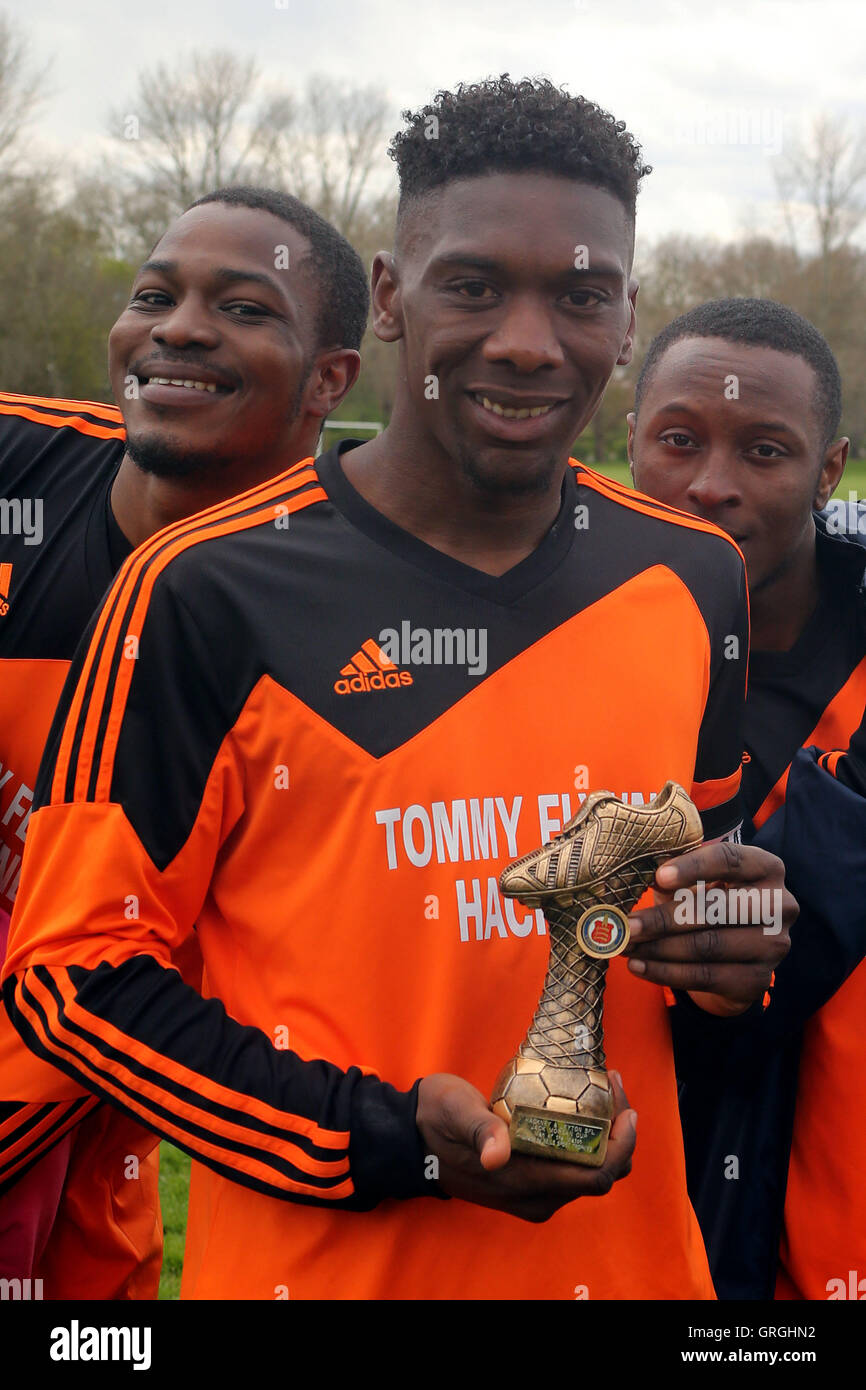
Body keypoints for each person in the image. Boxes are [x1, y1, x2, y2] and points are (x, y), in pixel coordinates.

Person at [3, 78, 792, 1300]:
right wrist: (379, 1140)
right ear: (387, 298)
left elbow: (697, 910)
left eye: (579, 296)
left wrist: (733, 947)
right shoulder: (199, 590)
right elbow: (68, 978)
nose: (528, 341)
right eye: (472, 286)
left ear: (628, 316)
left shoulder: (691, 576)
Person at [0, 185, 366, 1297]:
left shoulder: (351, 610)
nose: (178, 327)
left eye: (244, 308)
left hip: (71, 1142)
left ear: (330, 378)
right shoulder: (19, 461)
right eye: (154, 294)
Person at [629, 296, 866, 1299]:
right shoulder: (549, 652)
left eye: (763, 451)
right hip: (625, 1218)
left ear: (828, 470)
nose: (708, 487)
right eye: (677, 440)